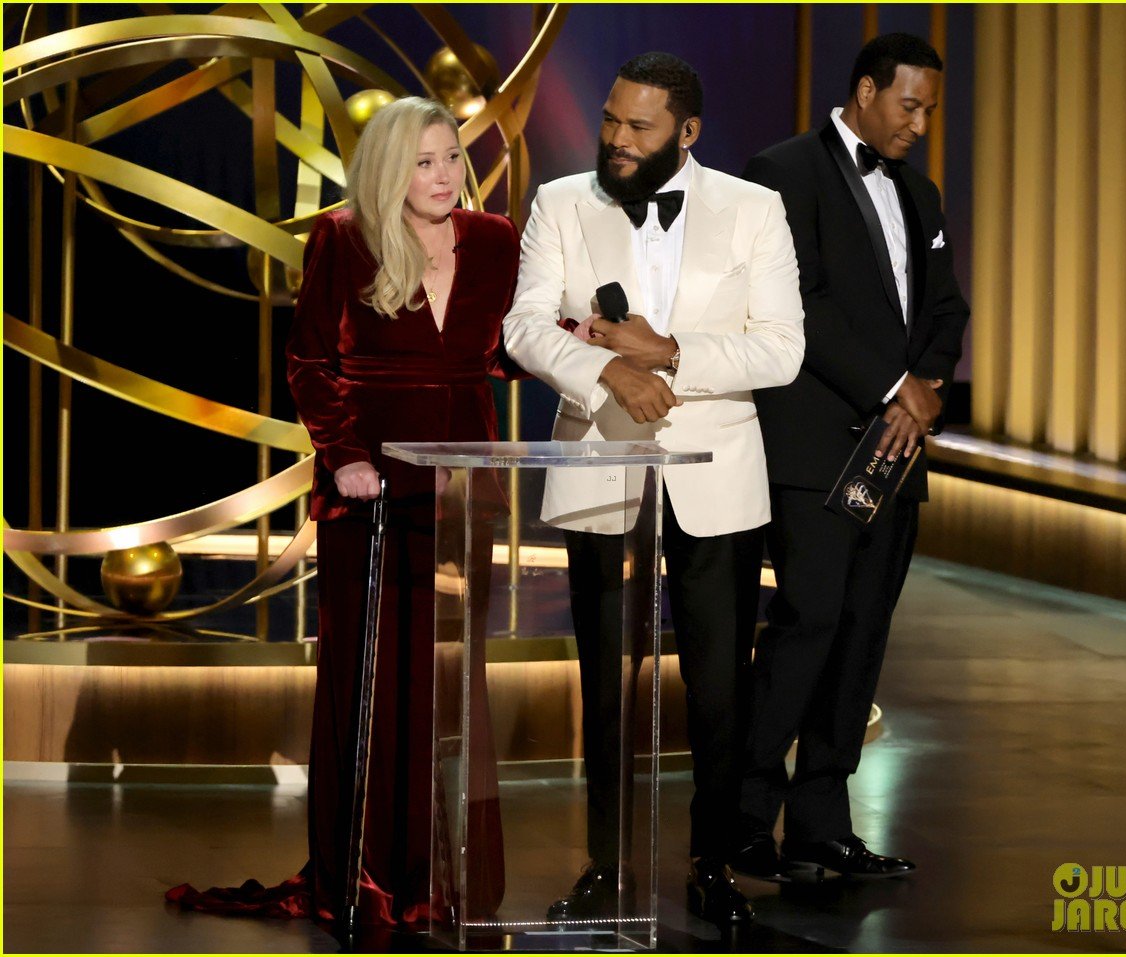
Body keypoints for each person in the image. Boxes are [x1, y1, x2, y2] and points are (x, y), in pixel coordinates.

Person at [166, 96, 522, 932]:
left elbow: (513, 344)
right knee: (373, 682)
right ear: (388, 170)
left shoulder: (496, 240)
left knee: (447, 685)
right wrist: (349, 454)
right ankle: (363, 874)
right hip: (369, 491)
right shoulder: (340, 237)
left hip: (467, 489)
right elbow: (310, 362)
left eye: (451, 159)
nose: (443, 177)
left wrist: (595, 346)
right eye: (424, 161)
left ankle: (444, 876)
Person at [502, 53, 803, 927]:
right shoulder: (562, 202)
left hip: (715, 473)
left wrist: (667, 356)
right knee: (602, 679)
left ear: (688, 132)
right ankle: (605, 864)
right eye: (610, 121)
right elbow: (523, 326)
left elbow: (781, 348)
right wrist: (608, 375)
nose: (618, 141)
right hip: (600, 462)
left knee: (718, 685)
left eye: (639, 128)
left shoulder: (754, 210)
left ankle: (713, 863)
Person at [732, 33, 970, 883]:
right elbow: (801, 302)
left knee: (864, 635)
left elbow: (946, 307)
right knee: (806, 627)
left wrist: (927, 383)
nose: (919, 124)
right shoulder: (782, 171)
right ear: (865, 91)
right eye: (908, 106)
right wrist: (893, 386)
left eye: (930, 111)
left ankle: (822, 822)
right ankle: (745, 819)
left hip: (896, 453)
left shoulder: (922, 191)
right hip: (816, 448)